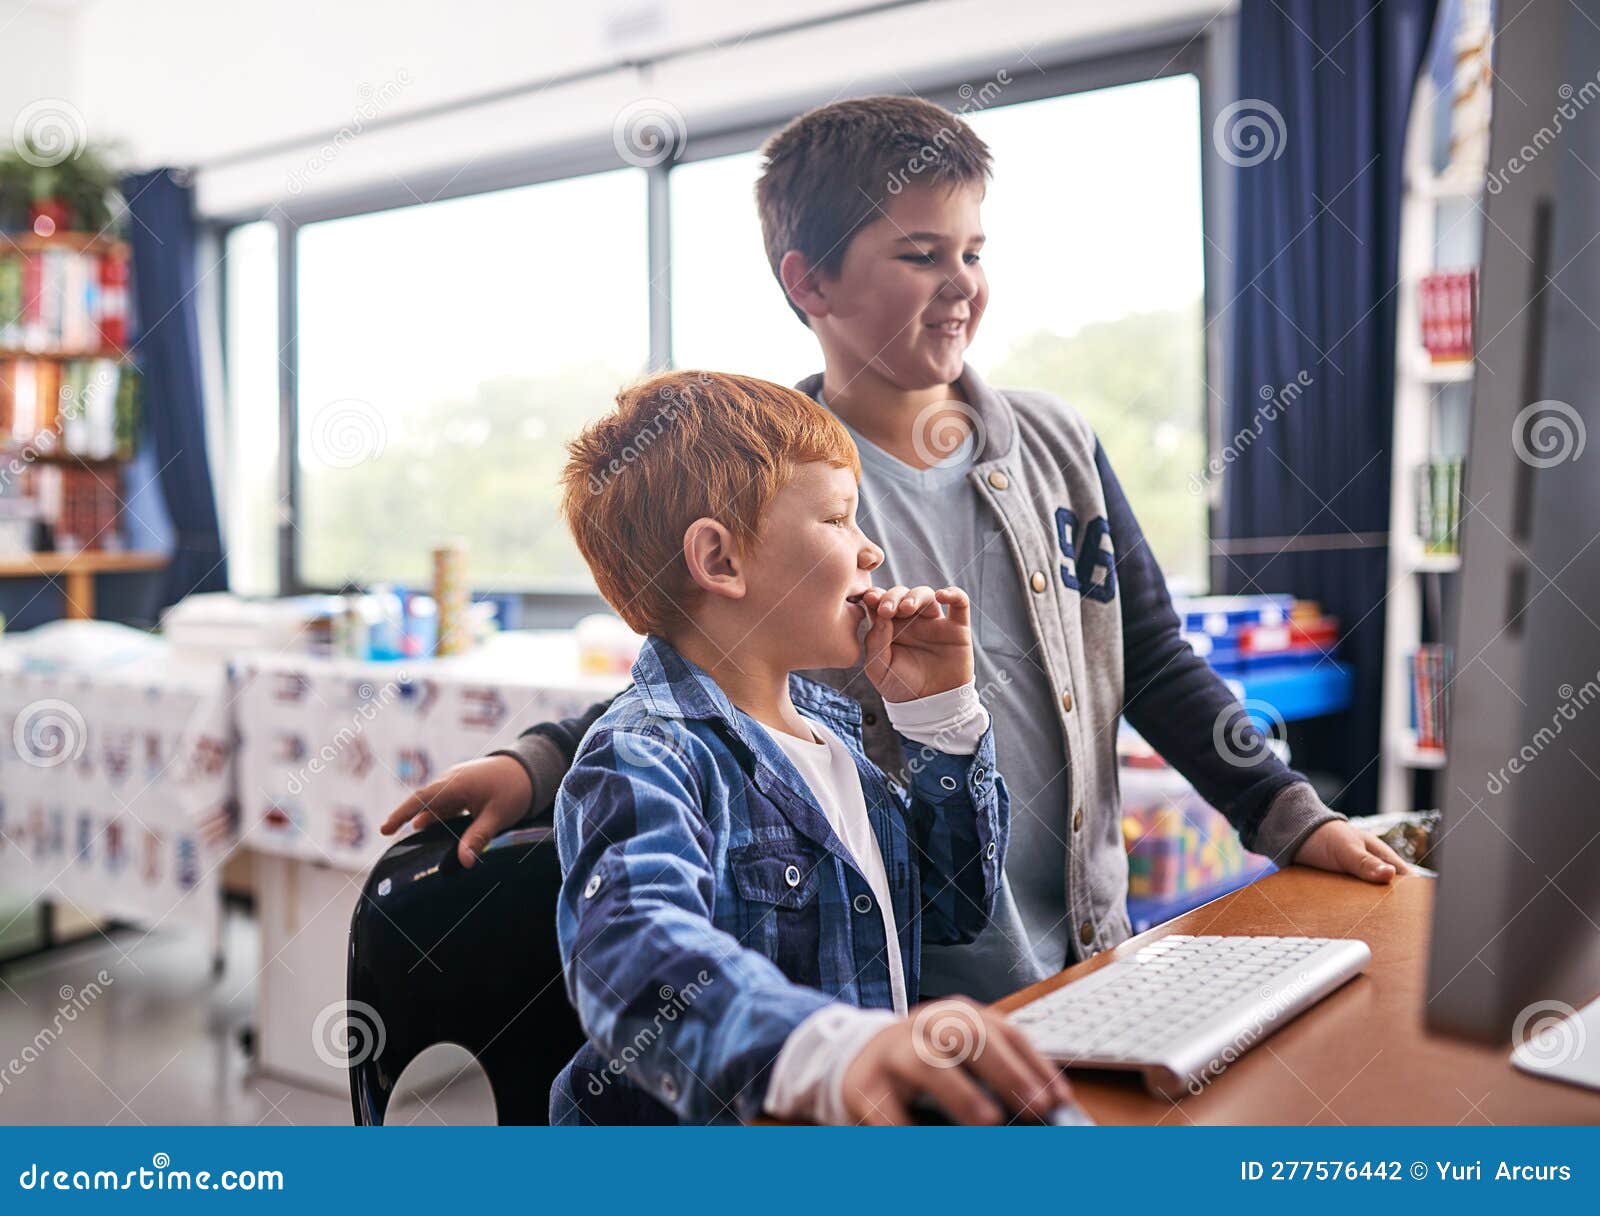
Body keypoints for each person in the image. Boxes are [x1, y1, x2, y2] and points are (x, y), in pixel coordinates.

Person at [383, 94, 1407, 1010]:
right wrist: (541, 760)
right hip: (902, 988)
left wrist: (1286, 813)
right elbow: (709, 677)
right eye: (921, 254)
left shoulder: (1059, 445)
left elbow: (1151, 654)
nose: (960, 283)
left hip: (1085, 954)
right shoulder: (782, 492)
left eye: (973, 250)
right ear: (809, 281)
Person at [542, 369, 1066, 1125]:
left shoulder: (839, 736)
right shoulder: (645, 754)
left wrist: (939, 717)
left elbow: (952, 913)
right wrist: (832, 1052)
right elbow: (633, 955)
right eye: (838, 519)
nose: (872, 552)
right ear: (720, 561)